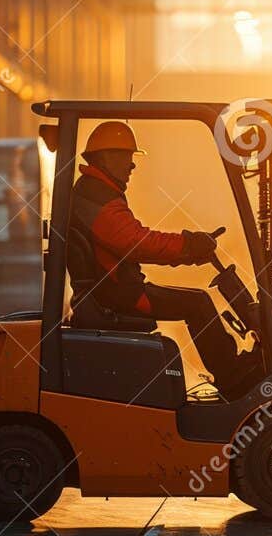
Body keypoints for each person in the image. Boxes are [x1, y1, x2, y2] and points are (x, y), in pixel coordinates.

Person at [68, 120, 262, 398]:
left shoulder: (96, 192)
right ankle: (235, 380)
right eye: (126, 157)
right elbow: (138, 242)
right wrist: (188, 244)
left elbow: (134, 243)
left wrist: (190, 250)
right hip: (119, 296)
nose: (132, 165)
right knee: (198, 304)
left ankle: (232, 373)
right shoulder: (96, 198)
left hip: (114, 290)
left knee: (196, 300)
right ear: (106, 157)